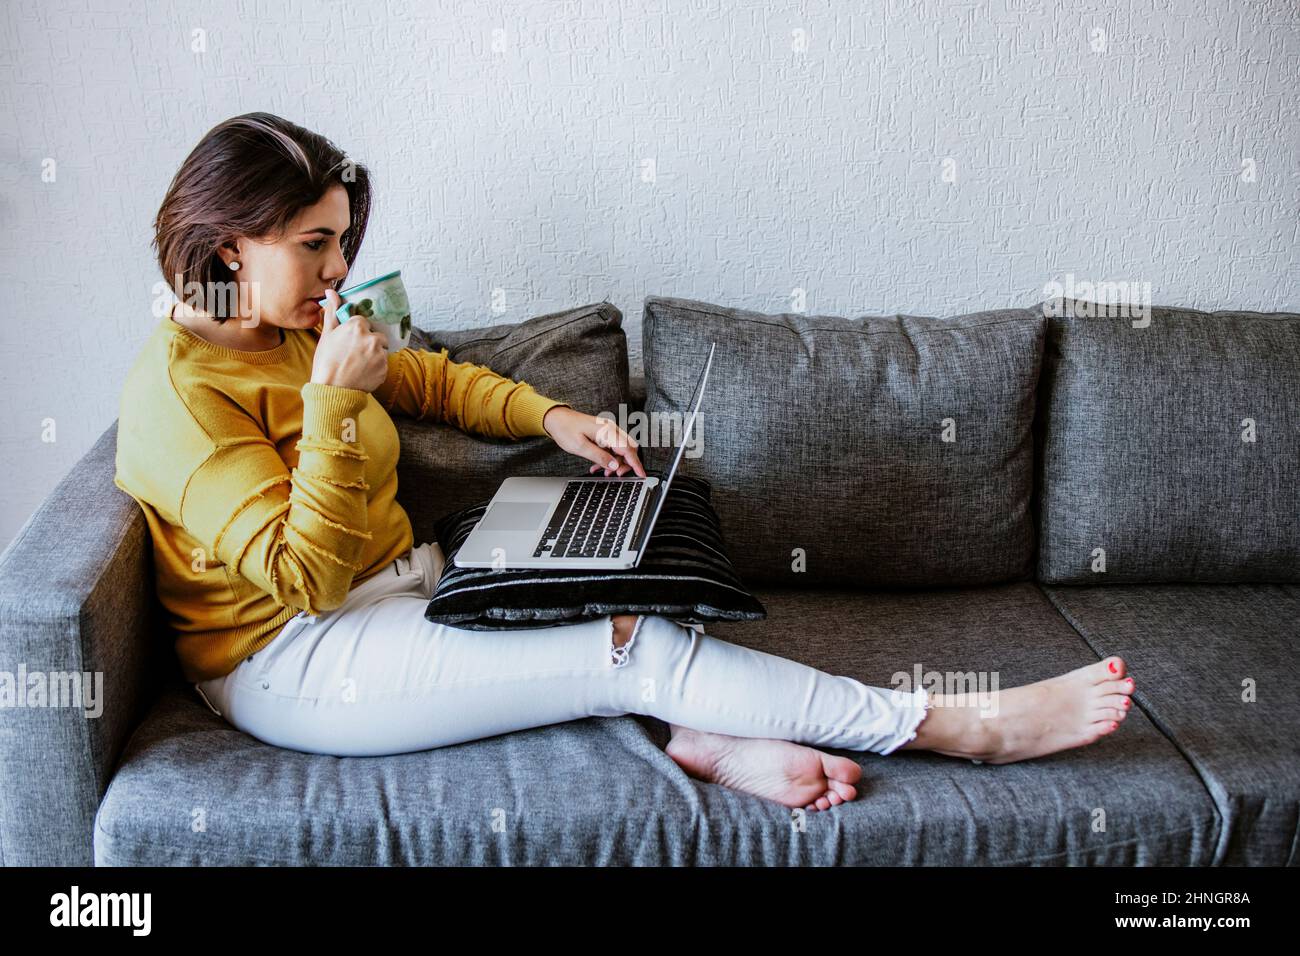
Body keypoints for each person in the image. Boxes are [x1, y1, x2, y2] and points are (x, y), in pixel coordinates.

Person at [115, 113, 1137, 814]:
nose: (339, 270)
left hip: (410, 582)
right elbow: (306, 576)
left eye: (342, 241)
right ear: (230, 246)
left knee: (646, 547)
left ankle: (704, 738)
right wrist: (335, 400)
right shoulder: (178, 396)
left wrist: (551, 413)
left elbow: (429, 379)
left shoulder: (290, 321)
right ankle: (946, 723)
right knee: (626, 639)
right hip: (295, 655)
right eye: (314, 242)